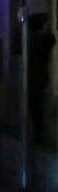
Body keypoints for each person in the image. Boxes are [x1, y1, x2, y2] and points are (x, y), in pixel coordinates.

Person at [27, 13, 55, 144]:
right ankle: (39, 134)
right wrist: (47, 30)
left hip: (33, 77)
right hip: (39, 77)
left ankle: (37, 133)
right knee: (38, 107)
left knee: (35, 107)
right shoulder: (41, 39)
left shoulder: (30, 39)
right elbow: (51, 40)